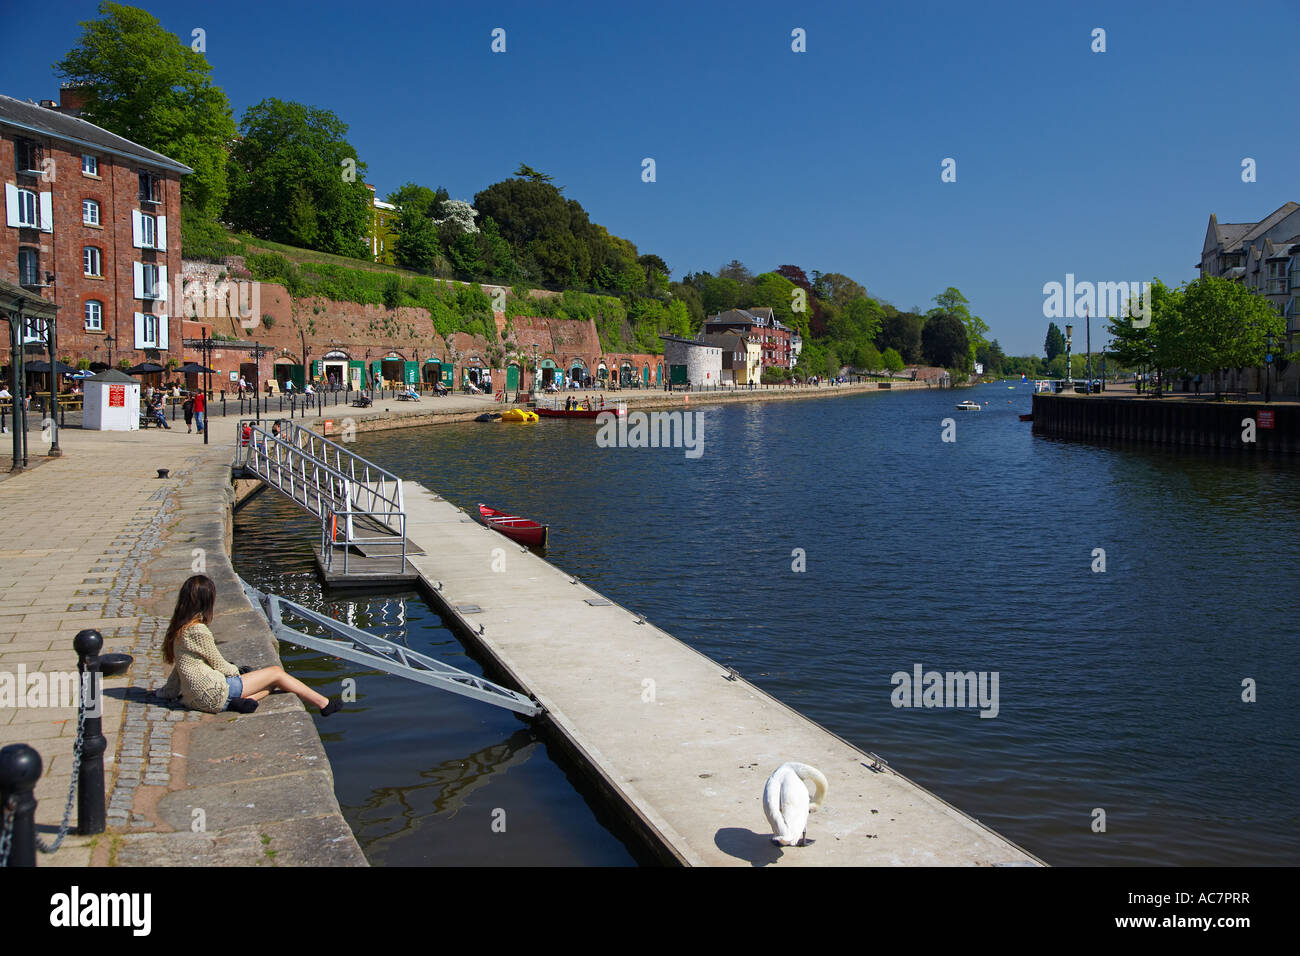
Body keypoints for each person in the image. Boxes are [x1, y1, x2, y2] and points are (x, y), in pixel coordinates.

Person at [157, 575, 340, 716]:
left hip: (193, 699)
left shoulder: (178, 629)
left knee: (274, 682)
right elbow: (221, 666)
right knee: (276, 672)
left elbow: (179, 669)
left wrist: (166, 693)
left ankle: (242, 701)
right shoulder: (198, 631)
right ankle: (324, 704)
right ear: (206, 603)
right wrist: (240, 672)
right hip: (213, 693)